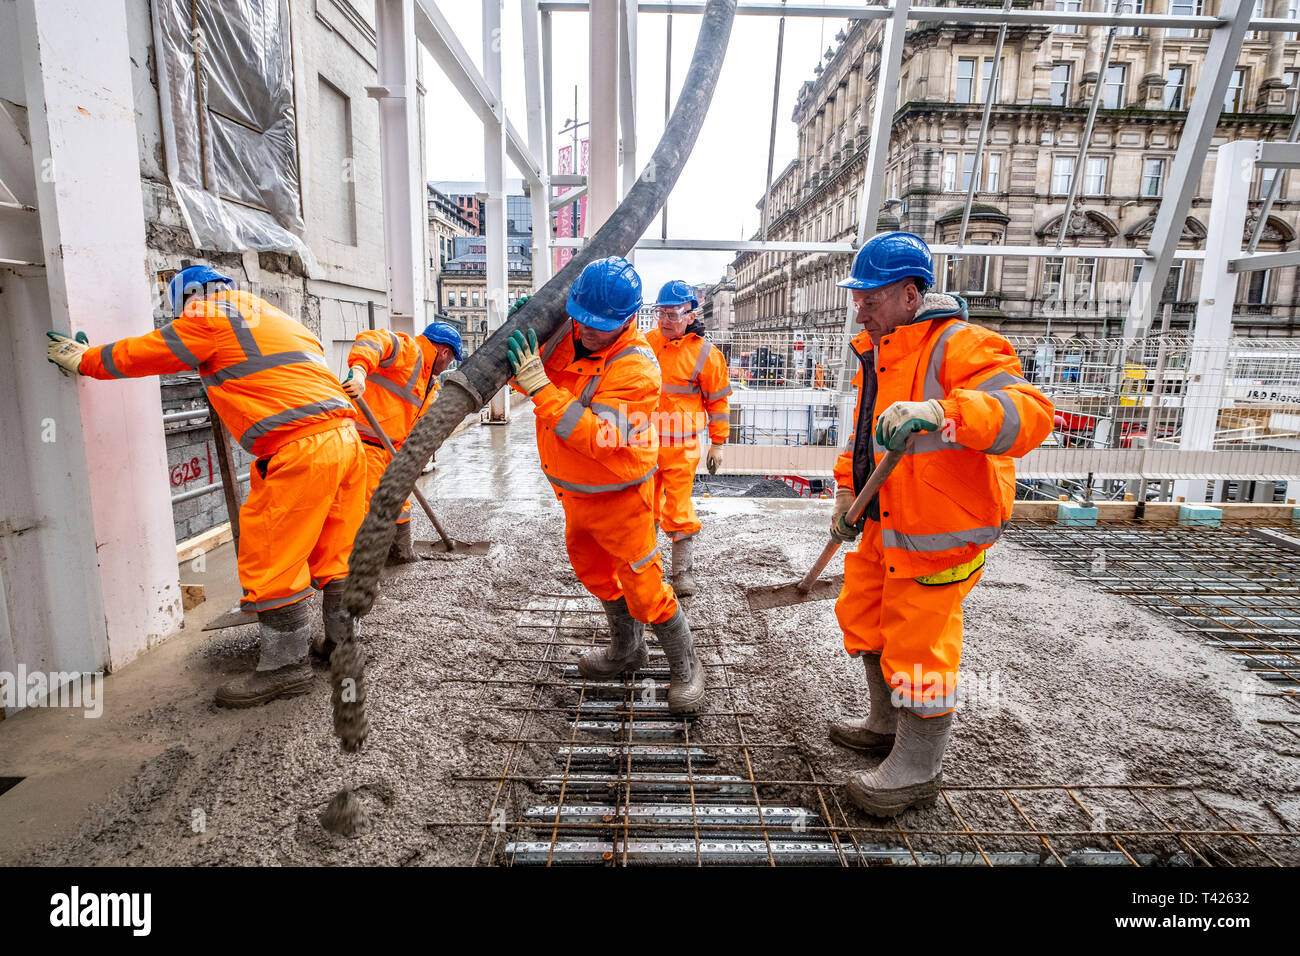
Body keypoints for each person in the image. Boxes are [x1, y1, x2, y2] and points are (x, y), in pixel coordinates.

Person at [46, 265, 366, 707]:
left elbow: (146, 352)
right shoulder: (279, 319)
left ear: (189, 298)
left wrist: (86, 360)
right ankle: (341, 645)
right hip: (346, 441)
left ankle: (286, 668)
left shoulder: (210, 315)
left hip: (302, 448)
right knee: (336, 550)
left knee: (272, 551)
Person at [826, 232, 1053, 816]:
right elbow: (863, 438)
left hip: (936, 533)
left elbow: (1028, 415)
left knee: (920, 649)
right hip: (885, 522)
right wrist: (847, 492)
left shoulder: (961, 345)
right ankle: (883, 723)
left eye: (869, 297)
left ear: (908, 294)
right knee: (865, 619)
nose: (860, 307)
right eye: (857, 297)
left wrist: (942, 412)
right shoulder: (878, 351)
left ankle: (917, 767)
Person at [505, 257, 706, 715]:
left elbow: (602, 436)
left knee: (645, 586)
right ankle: (627, 651)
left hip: (621, 497)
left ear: (630, 318)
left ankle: (686, 667)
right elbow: (538, 376)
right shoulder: (572, 336)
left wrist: (540, 389)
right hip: (576, 495)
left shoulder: (638, 368)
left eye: (600, 325)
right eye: (582, 320)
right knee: (595, 574)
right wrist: (532, 328)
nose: (588, 331)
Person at [340, 321, 462, 563]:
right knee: (371, 508)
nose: (448, 365)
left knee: (399, 500)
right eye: (450, 360)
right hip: (365, 444)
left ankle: (400, 554)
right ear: (445, 352)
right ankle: (363, 569)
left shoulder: (429, 382)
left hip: (391, 450)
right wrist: (360, 370)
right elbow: (374, 339)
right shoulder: (410, 352)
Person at [644, 280, 732, 597]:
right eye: (661, 313)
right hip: (643, 444)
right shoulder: (644, 344)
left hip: (681, 448)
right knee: (643, 509)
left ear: (690, 315)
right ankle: (647, 572)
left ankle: (681, 575)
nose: (665, 321)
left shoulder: (707, 355)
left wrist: (718, 443)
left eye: (672, 314)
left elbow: (718, 403)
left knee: (678, 509)